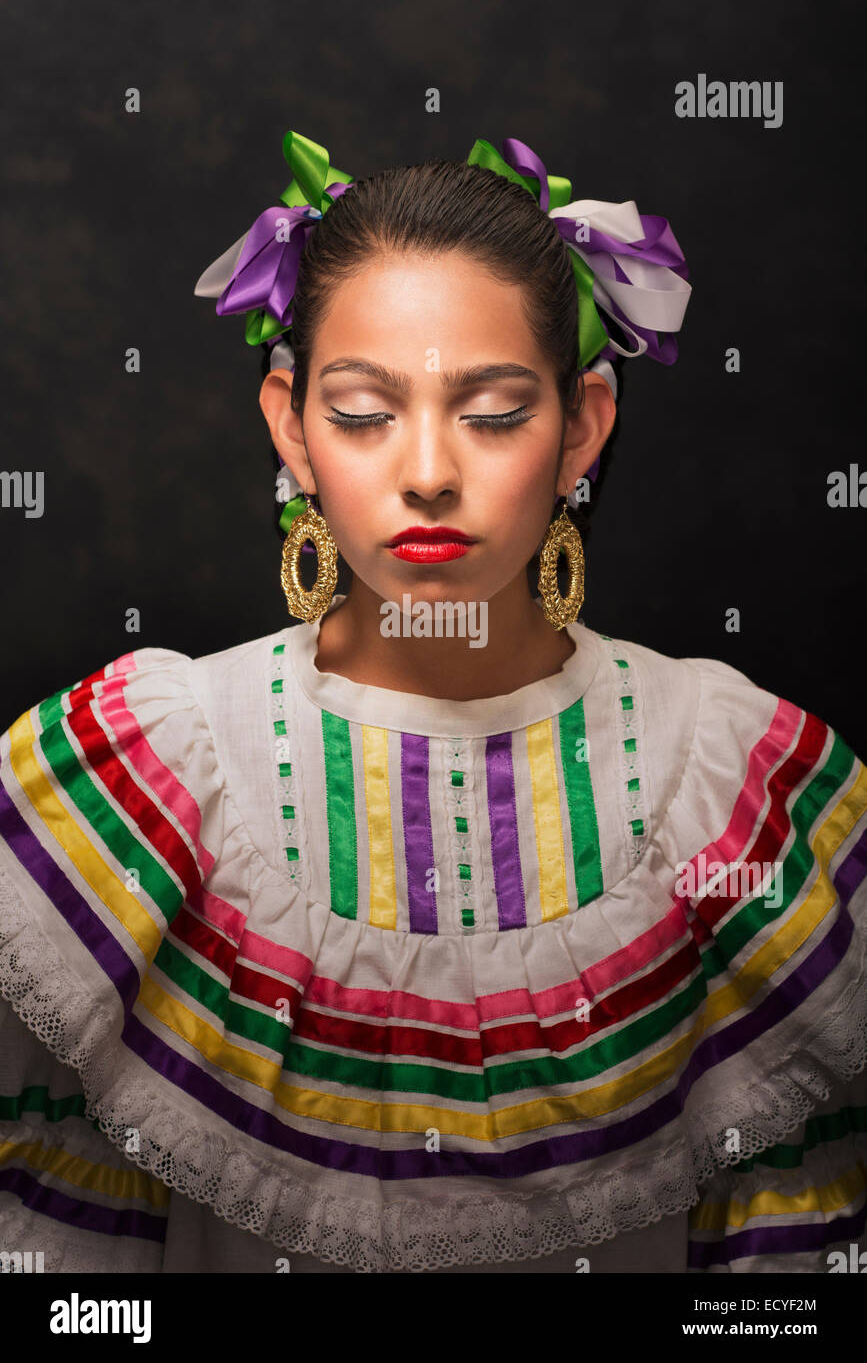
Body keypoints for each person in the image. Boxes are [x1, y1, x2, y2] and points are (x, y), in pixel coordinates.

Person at [0, 131, 864, 1275]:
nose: (427, 470)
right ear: (290, 425)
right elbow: (67, 1266)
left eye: (495, 412)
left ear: (582, 429)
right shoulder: (142, 770)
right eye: (362, 411)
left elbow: (787, 1267)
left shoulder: (737, 779)